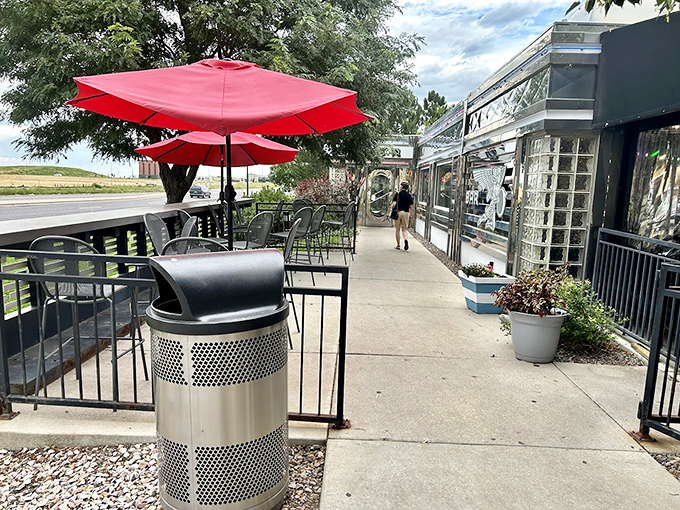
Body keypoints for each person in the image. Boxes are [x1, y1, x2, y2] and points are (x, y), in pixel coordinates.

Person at [392, 181, 414, 250]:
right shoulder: (409, 196)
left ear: (401, 187)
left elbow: (394, 204)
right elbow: (411, 207)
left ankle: (398, 245)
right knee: (404, 229)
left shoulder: (398, 194)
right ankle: (406, 239)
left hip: (398, 213)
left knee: (397, 229)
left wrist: (392, 208)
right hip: (406, 213)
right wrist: (410, 214)